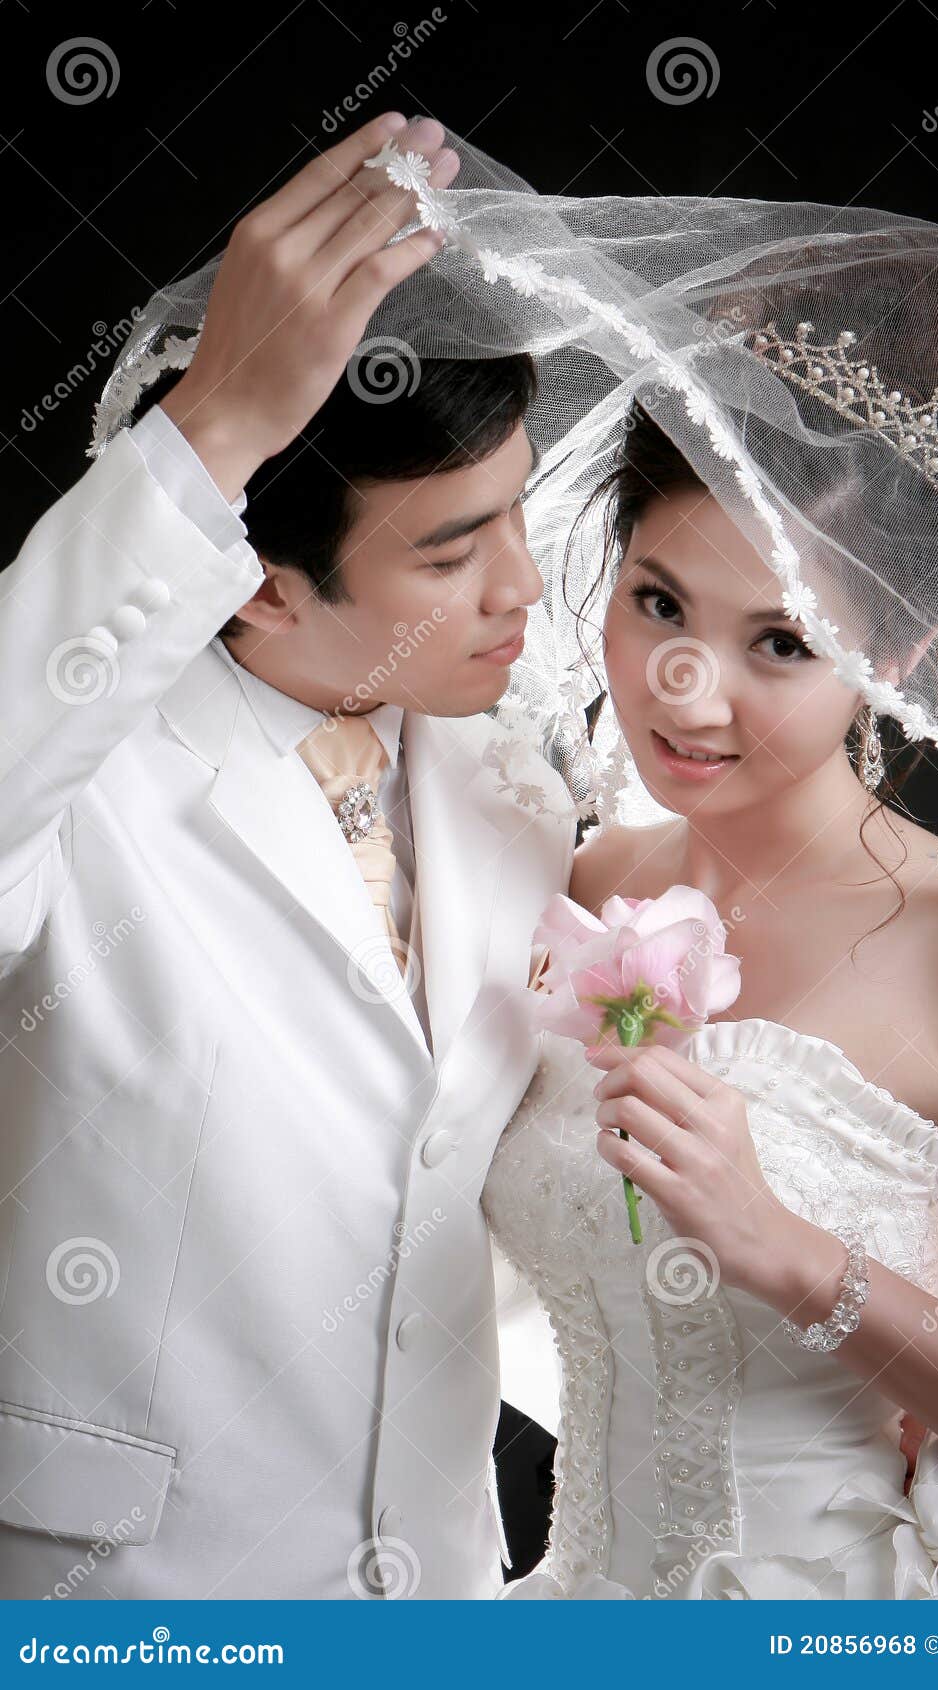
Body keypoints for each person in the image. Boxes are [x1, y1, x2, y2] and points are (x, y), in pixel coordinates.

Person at [343, 124, 938, 1599]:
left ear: (903, 656)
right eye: (659, 601)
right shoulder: (568, 876)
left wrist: (795, 1257)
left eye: (779, 644)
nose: (686, 688)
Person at [0, 112, 574, 1600]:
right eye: (451, 554)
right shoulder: (75, 783)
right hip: (125, 1596)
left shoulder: (525, 783)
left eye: (517, 510)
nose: (521, 586)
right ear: (255, 585)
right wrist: (215, 429)